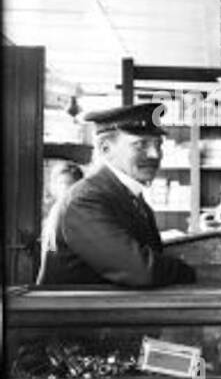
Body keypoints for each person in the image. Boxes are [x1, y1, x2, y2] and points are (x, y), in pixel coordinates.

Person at [37, 102, 196, 287]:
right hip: (74, 314)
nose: (155, 154)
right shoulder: (85, 200)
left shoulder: (129, 196)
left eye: (158, 145)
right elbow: (142, 272)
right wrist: (192, 271)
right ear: (105, 149)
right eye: (140, 145)